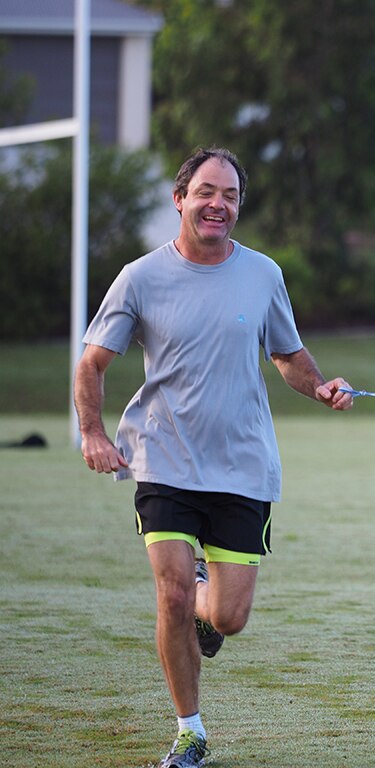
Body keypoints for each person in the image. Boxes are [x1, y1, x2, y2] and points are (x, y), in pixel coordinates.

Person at [74, 147, 355, 768]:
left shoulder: (262, 274)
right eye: (206, 192)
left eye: (230, 196)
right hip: (163, 458)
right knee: (170, 596)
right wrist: (93, 432)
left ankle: (209, 593)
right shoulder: (141, 276)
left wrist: (321, 385)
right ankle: (190, 733)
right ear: (180, 199)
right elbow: (92, 362)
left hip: (242, 466)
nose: (218, 205)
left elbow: (287, 355)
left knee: (228, 618)